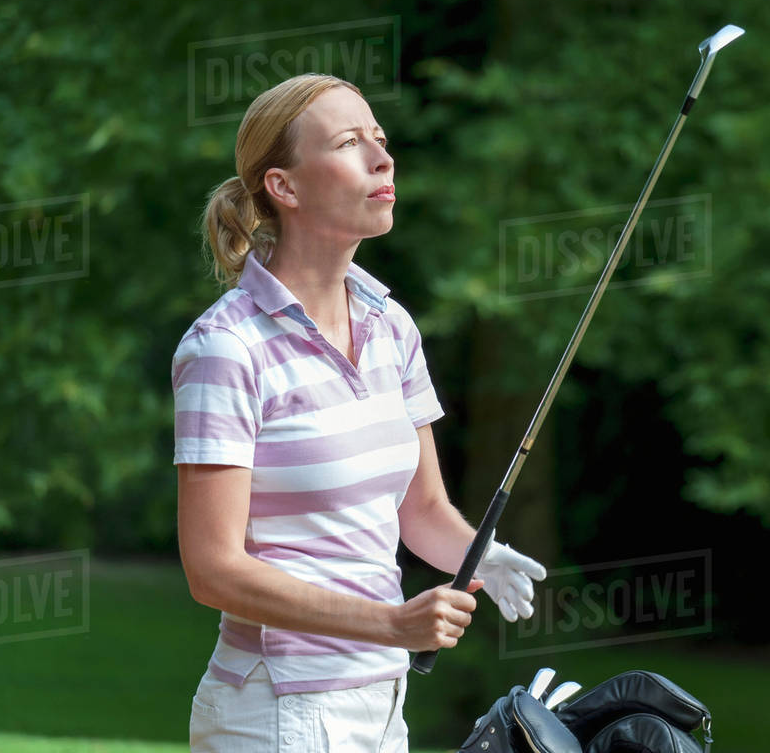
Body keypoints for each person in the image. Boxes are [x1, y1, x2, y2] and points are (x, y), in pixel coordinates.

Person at [172, 73, 547, 753]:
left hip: (380, 703)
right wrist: (391, 624)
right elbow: (212, 569)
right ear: (284, 187)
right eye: (349, 143)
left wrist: (482, 555)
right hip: (276, 711)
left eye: (380, 138)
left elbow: (422, 511)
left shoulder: (390, 326)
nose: (383, 158)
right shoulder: (225, 348)